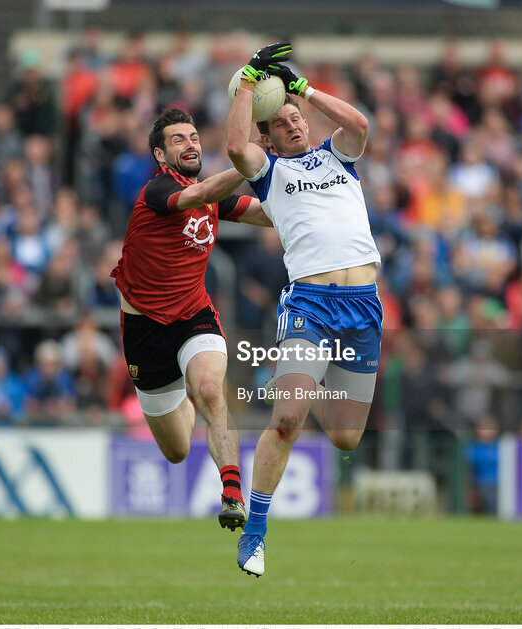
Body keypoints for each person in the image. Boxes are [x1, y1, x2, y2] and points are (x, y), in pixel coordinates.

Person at [226, 43, 383, 576]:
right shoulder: (268, 173)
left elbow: (360, 123)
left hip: (363, 305)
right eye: (283, 123)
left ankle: (302, 381)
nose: (295, 125)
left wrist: (305, 89)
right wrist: (249, 82)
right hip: (309, 305)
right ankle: (256, 531)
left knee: (345, 436)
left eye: (298, 119)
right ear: (267, 138)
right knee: (288, 418)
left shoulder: (339, 156)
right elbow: (233, 147)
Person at [110, 108, 272, 533]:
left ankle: (232, 493)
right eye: (179, 139)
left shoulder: (209, 193)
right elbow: (202, 196)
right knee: (178, 450)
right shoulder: (159, 190)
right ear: (162, 156)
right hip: (146, 332)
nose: (191, 144)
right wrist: (249, 157)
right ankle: (179, 388)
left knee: (209, 390)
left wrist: (312, 201)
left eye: (195, 136)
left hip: (194, 316)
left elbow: (267, 213)